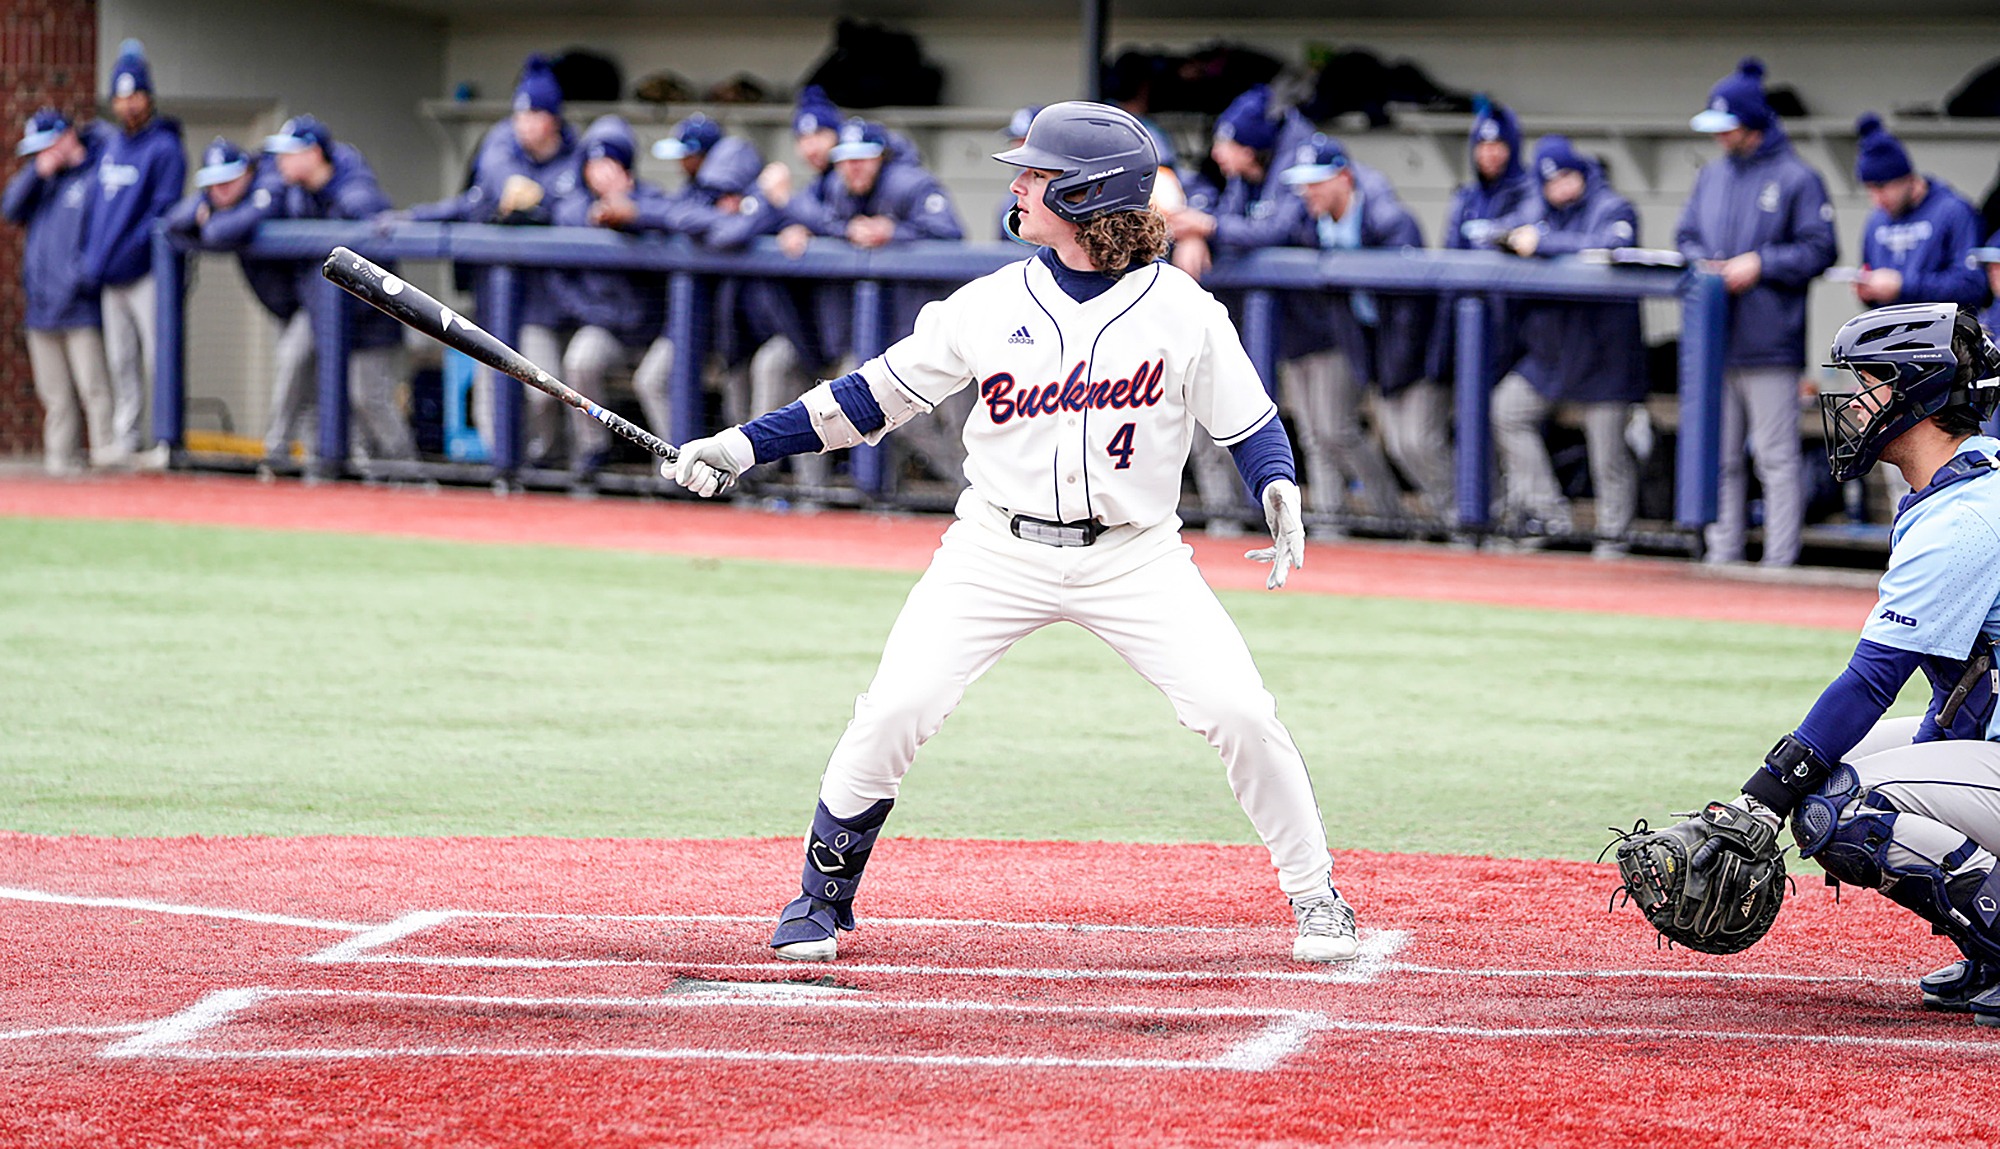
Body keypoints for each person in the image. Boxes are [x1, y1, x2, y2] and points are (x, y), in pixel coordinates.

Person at [661, 101, 1357, 966]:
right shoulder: (989, 302)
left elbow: (1249, 423)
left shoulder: (1183, 309)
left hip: (1133, 556)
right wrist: (741, 444)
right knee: (898, 707)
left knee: (1240, 711)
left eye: (1036, 174)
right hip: (995, 548)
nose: (1018, 186)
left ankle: (1317, 893)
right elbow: (868, 399)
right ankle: (820, 898)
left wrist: (1278, 483)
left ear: (1087, 195)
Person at [1714, 303, 2000, 1025]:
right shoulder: (1979, 471)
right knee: (1843, 765)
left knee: (1833, 804)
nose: (1854, 401)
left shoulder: (1963, 517)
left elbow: (1872, 679)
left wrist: (1762, 798)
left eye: (1870, 382)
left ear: (1919, 389)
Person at [1675, 57, 1838, 567]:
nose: (1722, 138)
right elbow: (1684, 236)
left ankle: (1778, 565)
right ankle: (1722, 557)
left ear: (1752, 124)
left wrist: (1760, 263)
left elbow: (1820, 248)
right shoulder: (1713, 176)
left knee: (1775, 459)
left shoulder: (1797, 177)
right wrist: (1701, 262)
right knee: (1720, 458)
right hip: (1715, 338)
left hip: (1770, 340)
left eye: (1729, 128)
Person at [400, 53, 580, 463]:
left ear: (552, 119)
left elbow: (574, 209)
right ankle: (501, 471)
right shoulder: (501, 144)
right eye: (520, 115)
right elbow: (475, 199)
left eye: (534, 115)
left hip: (546, 306)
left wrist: (543, 206)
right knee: (489, 388)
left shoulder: (574, 157)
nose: (524, 124)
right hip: (495, 300)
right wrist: (412, 216)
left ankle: (542, 465)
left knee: (544, 391)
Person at [775, 117, 967, 492]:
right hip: (881, 330)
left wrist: (896, 232)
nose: (853, 167)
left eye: (863, 158)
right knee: (898, 416)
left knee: (956, 421)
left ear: (882, 157)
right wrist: (805, 228)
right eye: (845, 159)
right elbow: (824, 218)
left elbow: (952, 234)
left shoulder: (909, 182)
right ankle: (943, 490)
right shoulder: (835, 187)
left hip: (936, 325)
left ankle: (976, 492)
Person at [1163, 84, 1318, 530]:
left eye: (1228, 145)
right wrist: (1195, 231)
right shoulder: (1236, 182)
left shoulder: (1290, 163)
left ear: (1252, 148)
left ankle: (1332, 526)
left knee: (1317, 430)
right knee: (1212, 426)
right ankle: (1224, 518)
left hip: (1309, 324)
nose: (1218, 155)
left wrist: (1206, 226)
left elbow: (1277, 231)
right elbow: (1202, 218)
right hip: (1250, 326)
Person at [1496, 136, 1648, 556]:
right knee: (1507, 410)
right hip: (1552, 358)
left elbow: (1611, 246)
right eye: (1550, 181)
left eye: (1566, 177)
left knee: (1608, 460)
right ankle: (1550, 515)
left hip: (1606, 358)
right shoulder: (1536, 208)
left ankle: (1613, 544)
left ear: (1581, 173)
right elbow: (1498, 235)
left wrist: (1542, 246)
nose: (1559, 188)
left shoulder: (1612, 206)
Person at [265, 115, 415, 462]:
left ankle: (408, 473)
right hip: (320, 307)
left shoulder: (357, 194)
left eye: (289, 153)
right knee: (296, 364)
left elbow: (377, 261)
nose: (280, 162)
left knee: (368, 397)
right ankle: (290, 460)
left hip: (369, 313)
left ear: (314, 153)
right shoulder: (295, 193)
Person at [163, 137, 311, 468]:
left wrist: (211, 217)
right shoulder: (219, 197)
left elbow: (218, 233)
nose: (221, 190)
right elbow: (172, 221)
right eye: (213, 184)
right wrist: (207, 201)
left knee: (303, 373)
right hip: (285, 308)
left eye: (228, 180)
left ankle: (279, 453)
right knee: (307, 391)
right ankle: (310, 467)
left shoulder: (270, 182)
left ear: (246, 171)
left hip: (315, 302)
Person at [549, 115, 675, 488]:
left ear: (626, 167)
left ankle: (675, 461)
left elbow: (671, 220)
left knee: (652, 380)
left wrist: (629, 212)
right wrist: (595, 313)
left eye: (611, 163)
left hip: (659, 328)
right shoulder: (572, 212)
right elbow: (559, 280)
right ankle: (592, 452)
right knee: (580, 360)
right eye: (594, 163)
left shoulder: (652, 202)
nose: (602, 173)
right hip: (609, 328)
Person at [80, 39, 184, 462]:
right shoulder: (110, 147)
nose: (128, 105)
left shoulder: (165, 147)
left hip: (146, 273)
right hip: (110, 275)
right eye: (120, 98)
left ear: (149, 97)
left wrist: (125, 254)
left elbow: (162, 214)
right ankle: (126, 438)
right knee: (121, 360)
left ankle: (164, 440)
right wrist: (94, 259)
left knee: (158, 358)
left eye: (134, 96)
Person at [3, 108, 114, 474]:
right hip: (42, 308)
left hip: (81, 307)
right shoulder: (42, 181)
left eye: (47, 146)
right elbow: (10, 208)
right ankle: (58, 469)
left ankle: (107, 466)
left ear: (67, 136)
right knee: (56, 398)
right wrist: (37, 172)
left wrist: (80, 279)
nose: (41, 155)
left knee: (95, 392)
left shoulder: (96, 173)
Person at [1430, 97, 1539, 393]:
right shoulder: (1466, 198)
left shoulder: (1531, 194)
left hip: (1517, 335)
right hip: (1468, 328)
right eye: (1483, 145)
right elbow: (1450, 262)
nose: (1489, 154)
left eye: (1498, 145)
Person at [1851, 114, 1988, 312]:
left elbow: (1973, 286)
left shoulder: (1953, 211)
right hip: (1890, 336)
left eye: (1882, 187)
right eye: (1869, 189)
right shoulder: (1877, 220)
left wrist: (1903, 286)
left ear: (1907, 178)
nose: (1876, 199)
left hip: (1945, 336)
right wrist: (1869, 292)